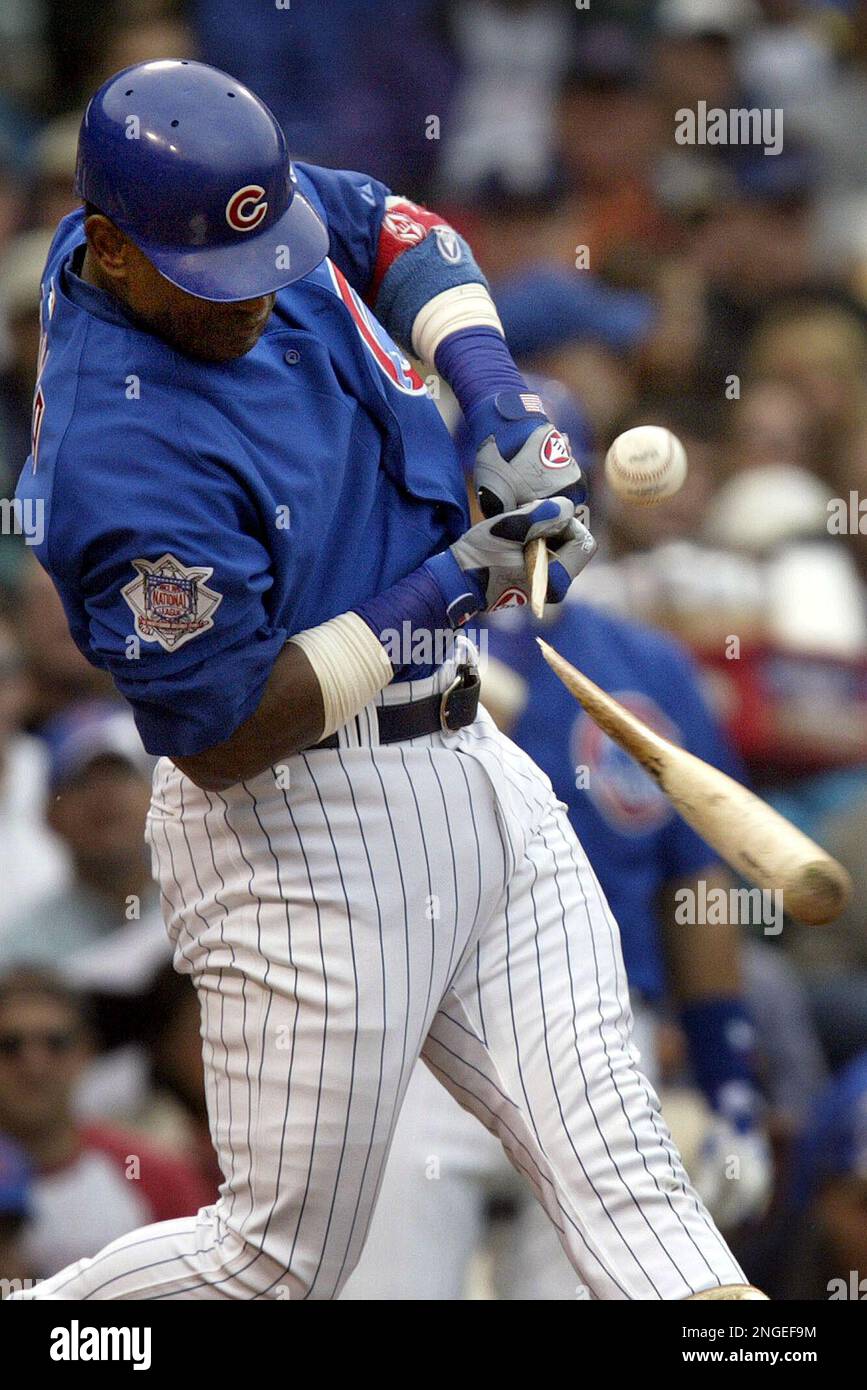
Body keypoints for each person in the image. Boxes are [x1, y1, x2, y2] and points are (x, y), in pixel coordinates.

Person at [13, 60, 754, 1300]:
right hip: (300, 830)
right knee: (275, 1260)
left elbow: (398, 230)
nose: (255, 297)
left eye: (264, 256)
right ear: (111, 248)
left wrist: (497, 398)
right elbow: (229, 732)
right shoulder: (120, 457)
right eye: (215, 283)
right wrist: (463, 575)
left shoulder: (217, 211)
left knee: (630, 1176)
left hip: (472, 761)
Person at [343, 380, 772, 1300]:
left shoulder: (645, 665)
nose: (537, 509)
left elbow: (691, 882)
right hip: (417, 1029)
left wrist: (725, 1075)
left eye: (558, 482)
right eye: (504, 485)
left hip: (603, 1041)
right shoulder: (379, 632)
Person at [0, 969, 213, 1281]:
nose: (34, 1065)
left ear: (86, 1052)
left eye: (56, 1043)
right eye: (10, 1045)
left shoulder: (153, 1172)